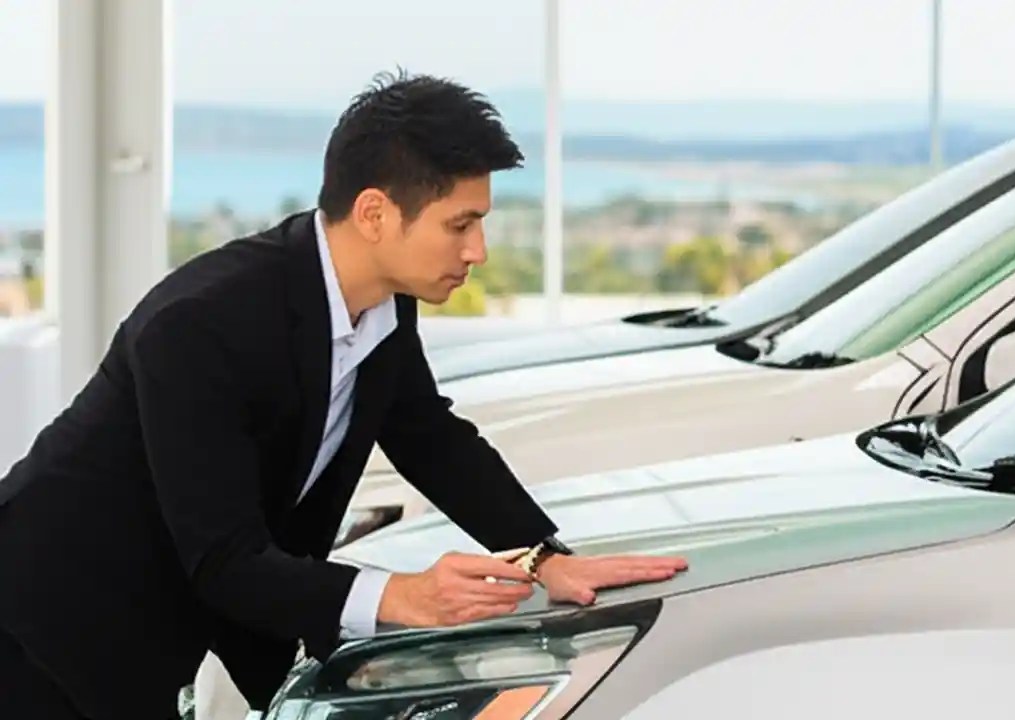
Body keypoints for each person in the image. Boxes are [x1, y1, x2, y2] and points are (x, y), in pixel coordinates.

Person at [0, 70, 688, 720]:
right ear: (374, 214)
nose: (478, 250)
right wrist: (405, 596)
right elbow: (224, 559)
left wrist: (546, 557)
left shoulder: (381, 308)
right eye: (460, 223)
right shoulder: (200, 324)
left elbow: (429, 436)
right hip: (44, 617)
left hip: (166, 616)